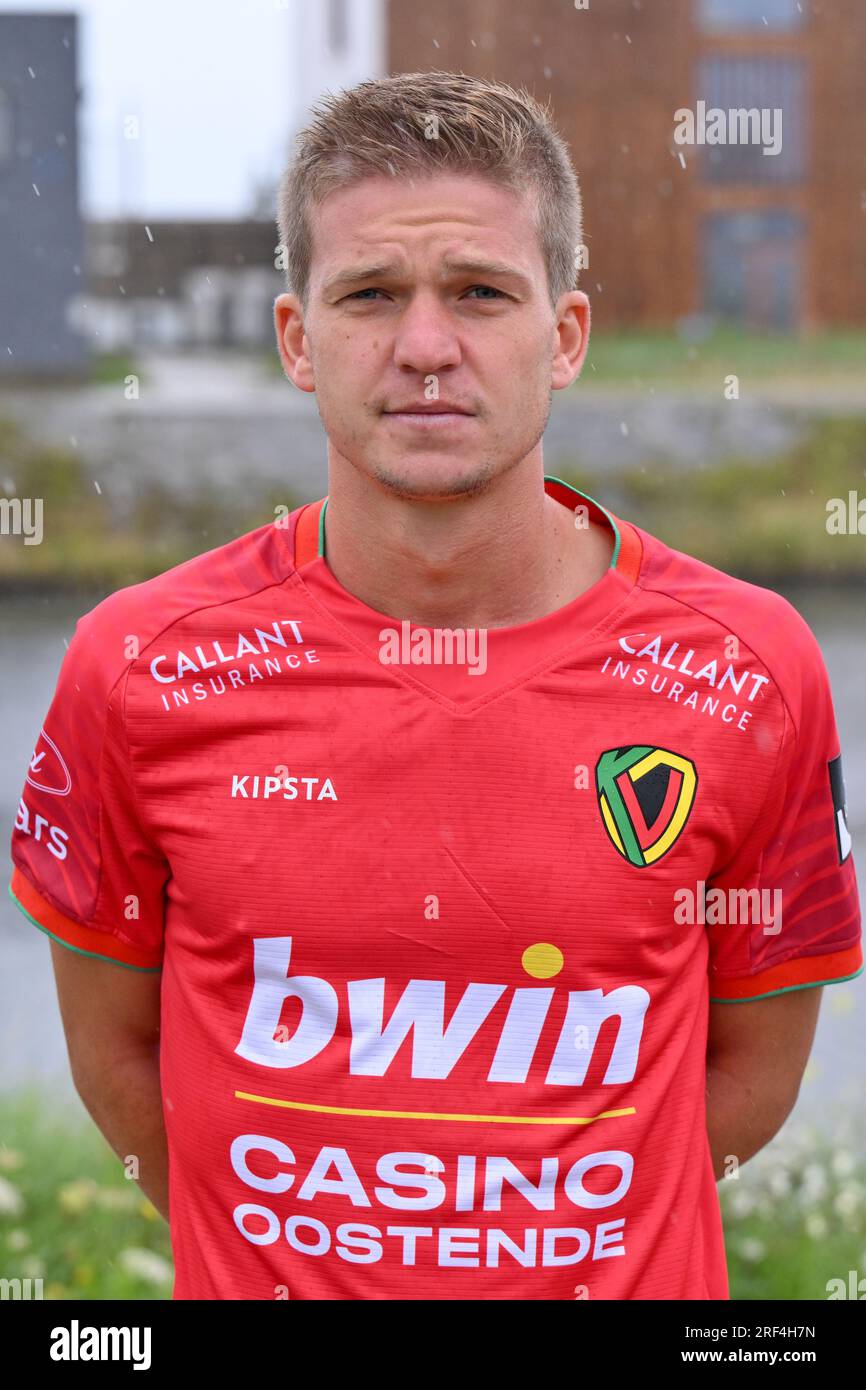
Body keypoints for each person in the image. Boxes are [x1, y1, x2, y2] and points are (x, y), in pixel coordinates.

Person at [8, 71, 862, 1301]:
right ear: (298, 340)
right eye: (369, 295)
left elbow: (747, 1082)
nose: (424, 347)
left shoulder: (745, 666)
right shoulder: (140, 667)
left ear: (562, 335)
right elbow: (123, 1067)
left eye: (478, 292)